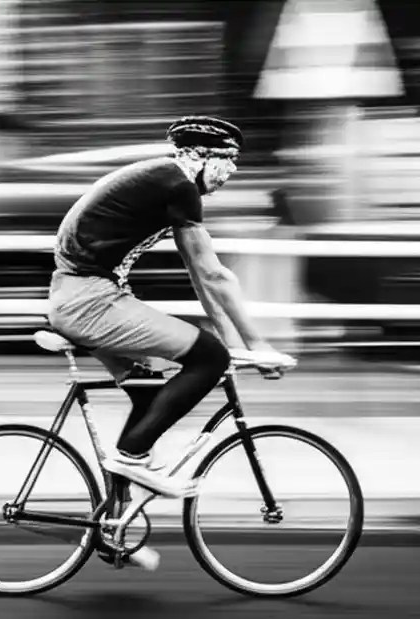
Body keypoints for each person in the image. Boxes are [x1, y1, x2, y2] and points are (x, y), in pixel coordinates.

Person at [46, 116, 295, 566]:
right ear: (197, 157)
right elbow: (214, 274)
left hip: (80, 295)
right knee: (208, 360)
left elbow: (203, 279)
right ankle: (133, 457)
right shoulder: (176, 184)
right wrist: (253, 346)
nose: (233, 171)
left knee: (147, 395)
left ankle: (112, 528)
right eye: (228, 160)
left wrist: (233, 338)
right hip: (91, 300)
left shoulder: (166, 182)